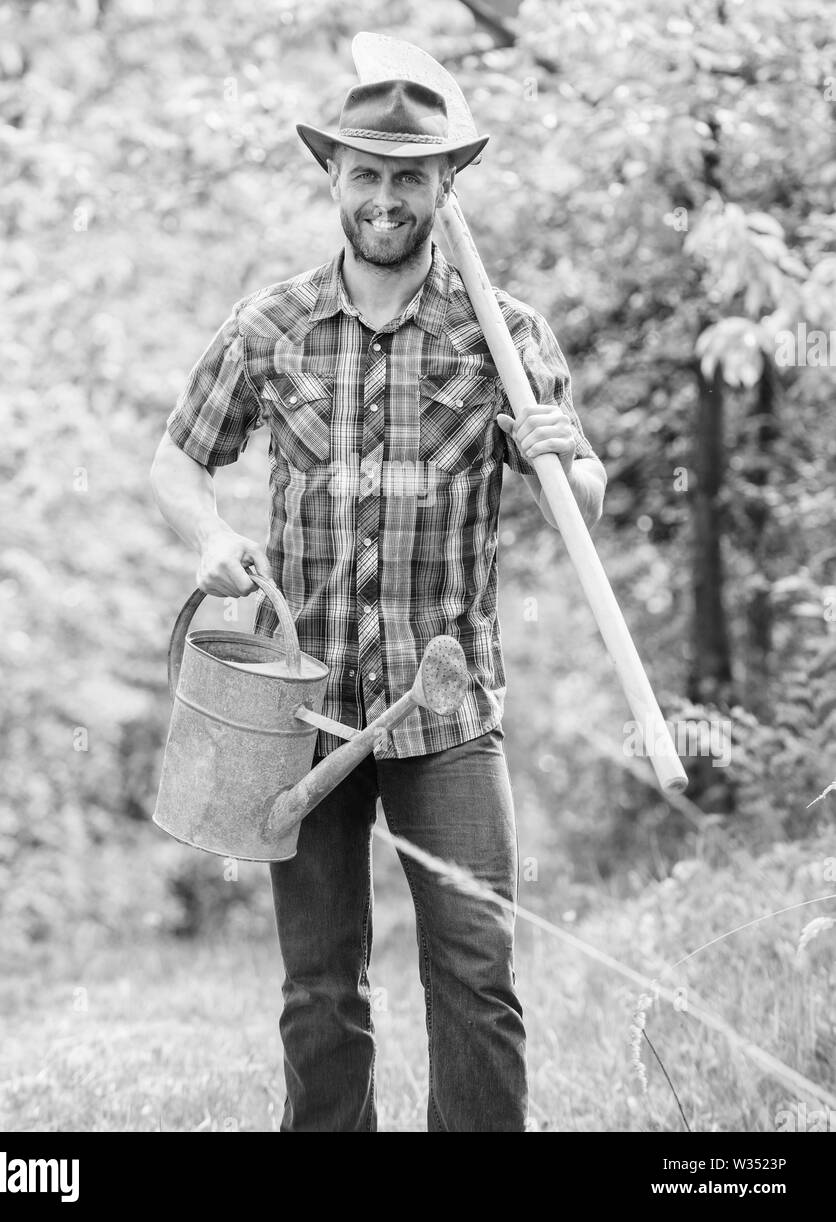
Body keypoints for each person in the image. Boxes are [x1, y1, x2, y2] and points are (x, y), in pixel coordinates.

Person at [150, 77, 606, 1131]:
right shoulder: (271, 326)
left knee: (476, 977)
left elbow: (581, 494)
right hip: (299, 718)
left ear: (445, 185)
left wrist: (560, 460)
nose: (386, 197)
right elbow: (177, 460)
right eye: (367, 174)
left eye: (411, 176)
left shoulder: (503, 333)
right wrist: (212, 535)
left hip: (444, 713)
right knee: (319, 991)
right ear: (334, 178)